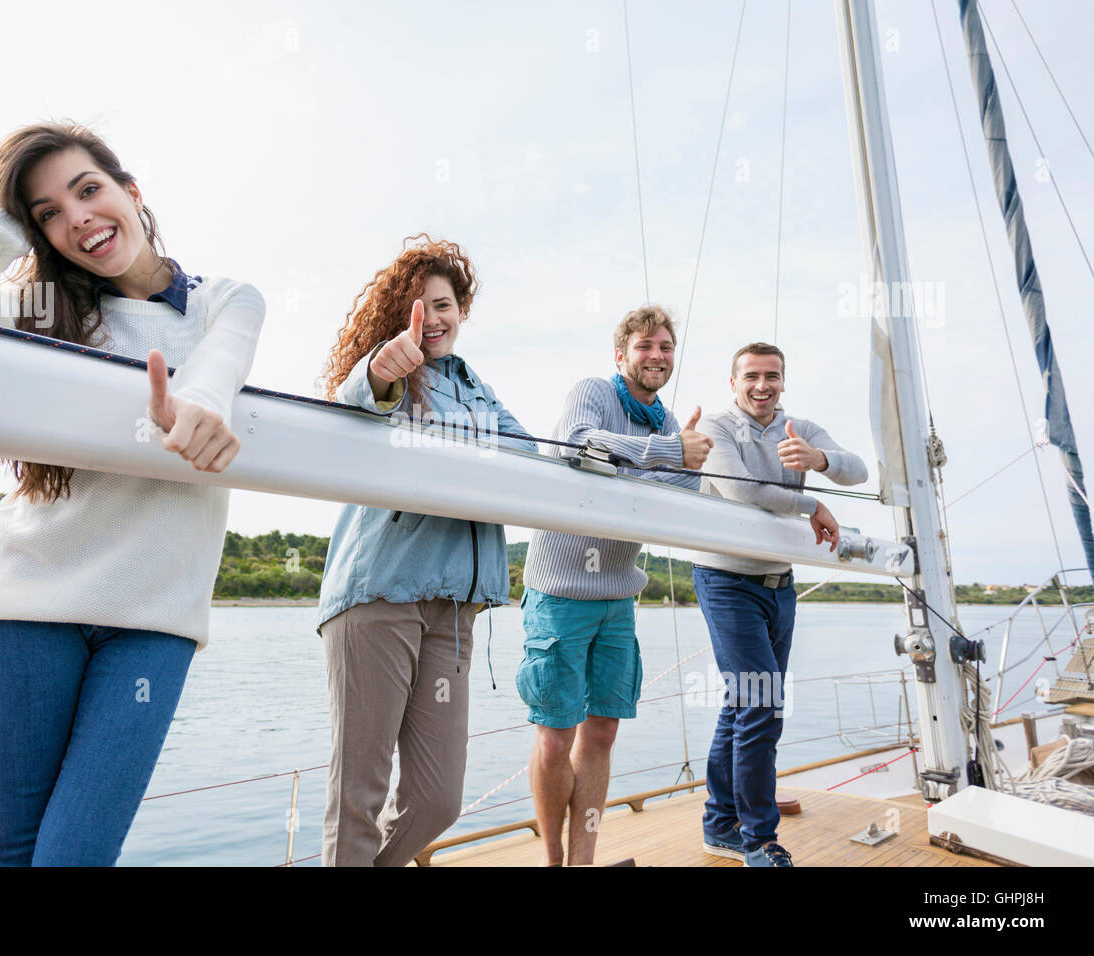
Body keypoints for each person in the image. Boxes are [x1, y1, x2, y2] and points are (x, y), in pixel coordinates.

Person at [0, 122, 266, 866]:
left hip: (153, 619)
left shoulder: (225, 298)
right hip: (27, 603)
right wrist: (12, 218)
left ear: (132, 192)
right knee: (3, 853)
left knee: (73, 857)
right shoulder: (38, 311)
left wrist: (199, 406)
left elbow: (222, 359)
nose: (77, 216)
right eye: (49, 212)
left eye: (88, 190)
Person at [316, 234, 536, 866]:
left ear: (461, 310)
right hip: (381, 593)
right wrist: (383, 371)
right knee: (359, 790)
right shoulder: (387, 368)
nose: (433, 319)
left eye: (444, 305)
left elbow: (532, 455)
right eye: (419, 308)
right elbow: (351, 406)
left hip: (456, 609)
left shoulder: (477, 389)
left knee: (438, 799)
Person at [519, 304, 711, 866]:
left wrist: (688, 463)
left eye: (667, 347)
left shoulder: (669, 422)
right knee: (555, 736)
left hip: (619, 595)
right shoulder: (593, 392)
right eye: (646, 345)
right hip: (560, 590)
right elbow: (577, 444)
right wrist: (666, 454)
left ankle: (584, 862)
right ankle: (553, 861)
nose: (657, 356)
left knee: (601, 733)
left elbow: (679, 493)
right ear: (621, 353)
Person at [689, 342, 867, 867]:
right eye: (751, 376)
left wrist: (821, 461)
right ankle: (759, 841)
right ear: (734, 382)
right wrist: (812, 501)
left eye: (771, 376)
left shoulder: (800, 428)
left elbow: (856, 471)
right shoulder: (718, 428)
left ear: (783, 381)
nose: (761, 385)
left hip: (778, 584)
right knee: (761, 704)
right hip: (724, 579)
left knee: (744, 704)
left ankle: (719, 826)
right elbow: (743, 489)